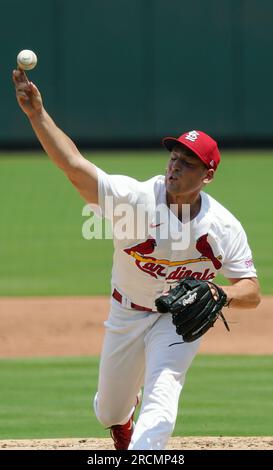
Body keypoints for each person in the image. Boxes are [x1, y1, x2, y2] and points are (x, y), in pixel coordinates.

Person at [13, 69, 261, 450]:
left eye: (188, 163)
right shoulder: (136, 199)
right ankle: (121, 417)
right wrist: (37, 116)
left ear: (208, 175)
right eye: (175, 157)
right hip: (126, 312)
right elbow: (74, 167)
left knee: (163, 395)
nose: (175, 166)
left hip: (176, 320)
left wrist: (220, 294)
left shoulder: (222, 226)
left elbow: (252, 290)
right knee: (108, 411)